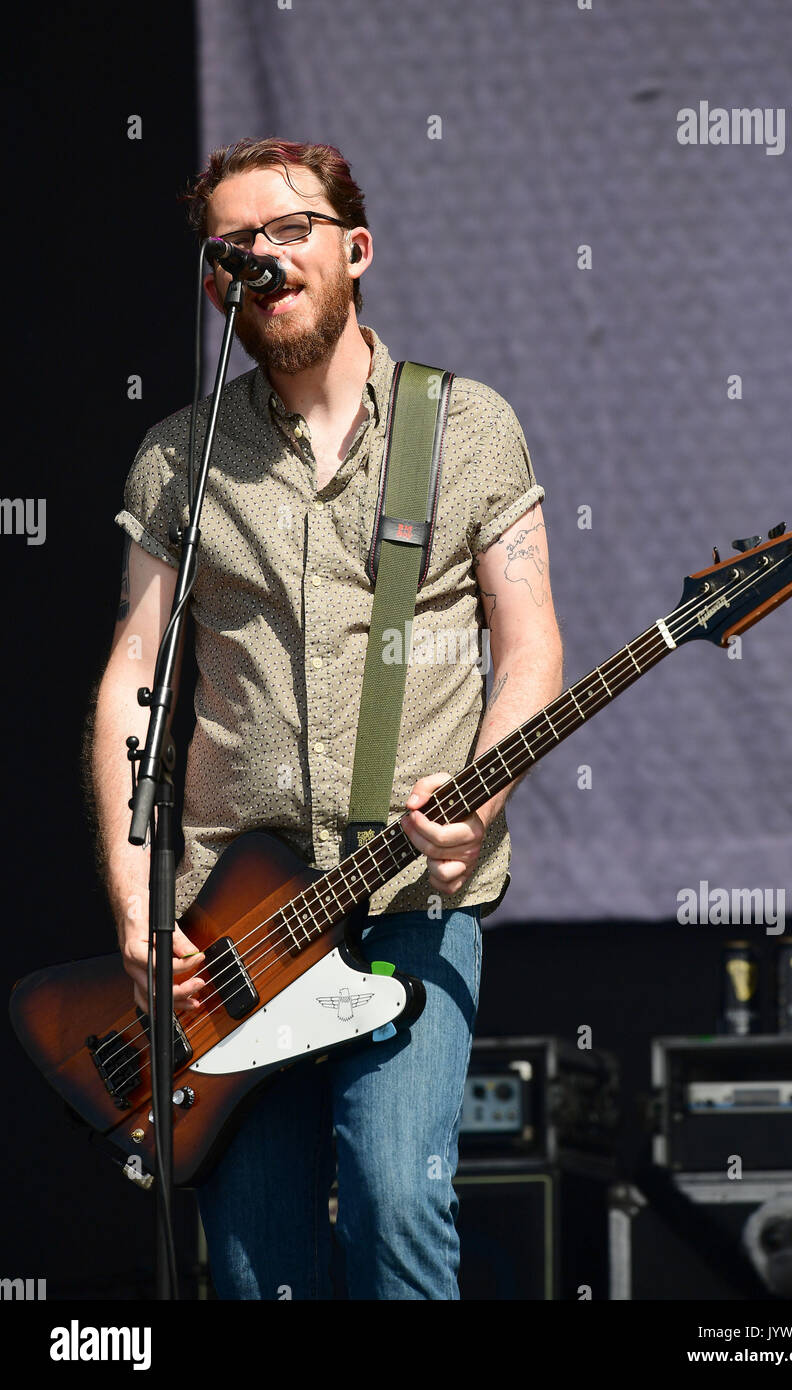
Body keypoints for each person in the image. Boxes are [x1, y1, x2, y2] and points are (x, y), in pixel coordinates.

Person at [90, 138, 563, 1300]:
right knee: (255, 1266)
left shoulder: (467, 429)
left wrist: (481, 798)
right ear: (215, 282)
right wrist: (136, 898)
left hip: (408, 895)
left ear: (356, 249)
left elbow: (531, 647)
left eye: (287, 229)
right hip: (232, 925)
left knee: (399, 1198)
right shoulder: (179, 459)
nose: (259, 257)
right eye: (230, 246)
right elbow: (132, 679)